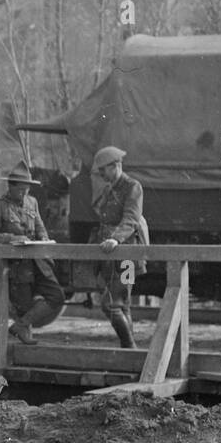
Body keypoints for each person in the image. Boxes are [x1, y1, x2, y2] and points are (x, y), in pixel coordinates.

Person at [0, 160, 66, 345]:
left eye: (27, 188)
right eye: (21, 189)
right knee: (24, 305)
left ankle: (21, 326)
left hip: (38, 262)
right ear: (10, 187)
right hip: (17, 268)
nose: (24, 192)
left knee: (56, 296)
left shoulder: (32, 202)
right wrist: (12, 238)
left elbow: (40, 228)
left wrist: (44, 239)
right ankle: (23, 332)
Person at [90, 145, 147, 349]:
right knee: (124, 305)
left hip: (127, 255)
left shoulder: (133, 187)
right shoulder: (109, 189)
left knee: (111, 304)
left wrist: (116, 239)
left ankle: (129, 346)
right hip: (110, 255)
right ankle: (129, 351)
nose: (102, 174)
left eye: (104, 170)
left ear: (115, 166)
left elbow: (131, 218)